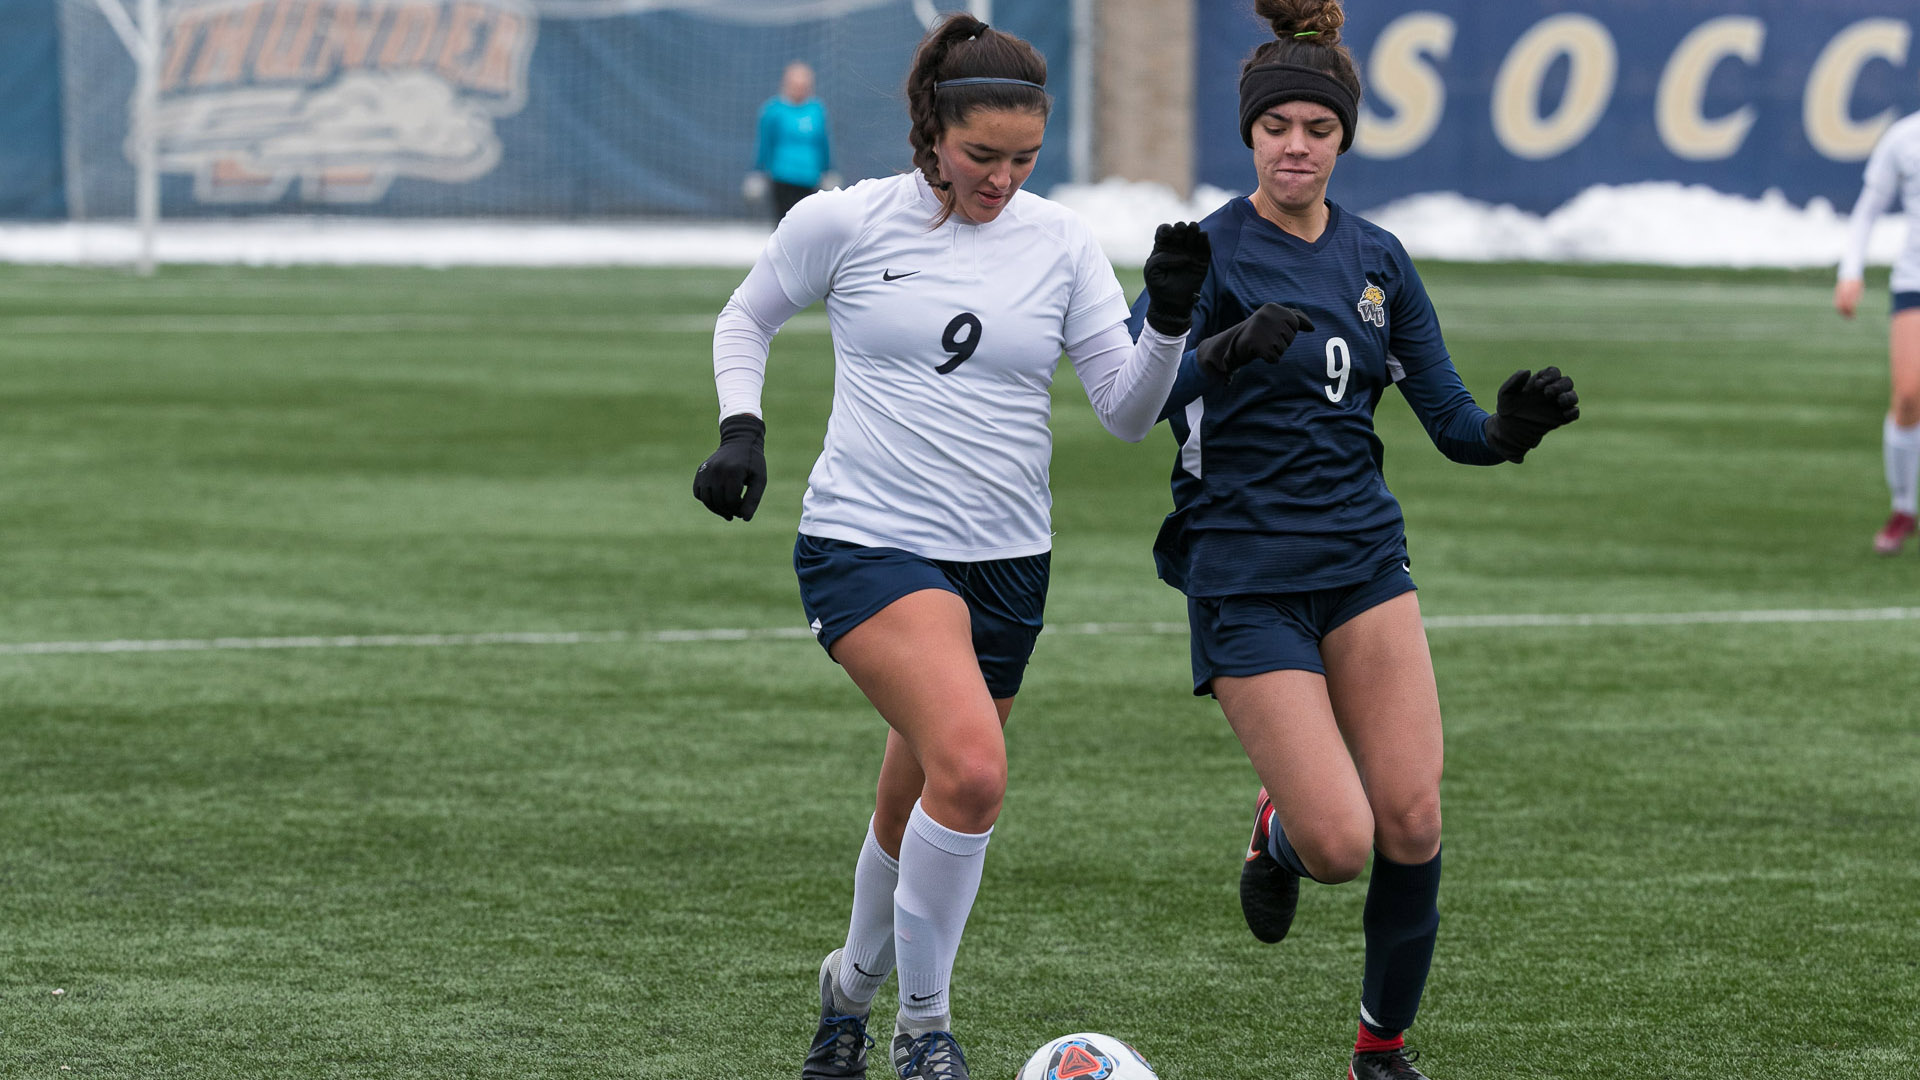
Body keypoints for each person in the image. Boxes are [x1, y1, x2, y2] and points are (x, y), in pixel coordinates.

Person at [693, 15, 1213, 1080]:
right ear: (932, 130)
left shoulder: (1061, 242)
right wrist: (741, 428)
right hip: (867, 544)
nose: (1002, 180)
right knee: (973, 772)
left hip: (1010, 564)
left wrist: (1166, 323)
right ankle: (922, 1030)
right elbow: (745, 318)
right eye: (982, 155)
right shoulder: (845, 221)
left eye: (1024, 158)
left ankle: (845, 998)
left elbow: (1124, 412)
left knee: (918, 798)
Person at [1124, 2, 1579, 1078]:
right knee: (1339, 846)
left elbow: (1451, 421)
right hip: (1244, 571)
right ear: (1249, 134)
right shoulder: (1204, 254)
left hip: (1365, 563)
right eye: (1276, 126)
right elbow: (1133, 403)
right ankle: (1278, 831)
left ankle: (1381, 1053)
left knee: (1411, 818)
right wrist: (1215, 344)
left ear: (1343, 139)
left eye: (1317, 129)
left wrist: (1509, 432)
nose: (1296, 145)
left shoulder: (1378, 260)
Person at [1835, 107, 1920, 554]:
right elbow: (1867, 211)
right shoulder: (1904, 137)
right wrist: (1850, 272)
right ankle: (1903, 507)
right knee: (1908, 396)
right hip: (1915, 282)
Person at [746, 60, 838, 224]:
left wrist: (828, 170)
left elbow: (823, 143)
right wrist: (758, 171)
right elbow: (765, 144)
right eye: (796, 85)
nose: (799, 89)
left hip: (809, 177)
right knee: (784, 223)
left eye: (803, 85)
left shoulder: (816, 110)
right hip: (783, 177)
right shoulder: (773, 110)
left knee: (807, 224)